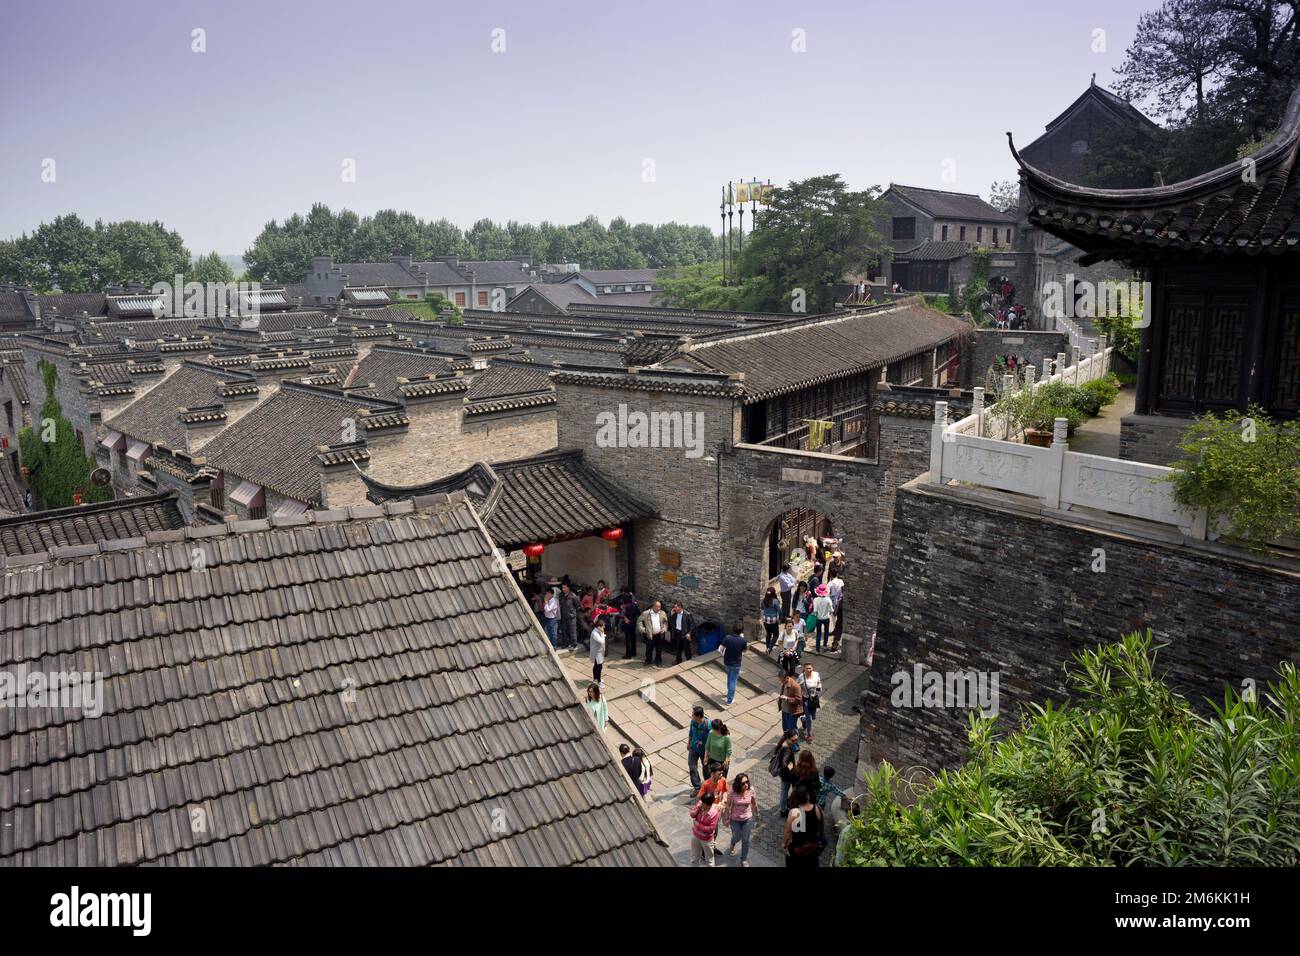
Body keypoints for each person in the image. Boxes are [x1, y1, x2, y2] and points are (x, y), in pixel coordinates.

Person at [782, 785, 824, 867]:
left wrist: (784, 843)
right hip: (812, 848)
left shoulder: (795, 813)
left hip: (798, 849)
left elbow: (788, 831)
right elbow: (820, 827)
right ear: (808, 796)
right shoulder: (817, 809)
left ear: (796, 799)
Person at [723, 772, 759, 866]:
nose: (746, 784)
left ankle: (743, 859)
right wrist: (726, 819)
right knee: (736, 836)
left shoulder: (751, 790)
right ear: (738, 784)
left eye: (747, 782)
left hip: (747, 819)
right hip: (735, 819)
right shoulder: (732, 792)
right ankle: (733, 844)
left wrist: (757, 814)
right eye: (743, 783)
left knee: (746, 839)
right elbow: (728, 806)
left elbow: (754, 804)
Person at [690, 792, 722, 867]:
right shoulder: (700, 804)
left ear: (708, 805)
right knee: (694, 857)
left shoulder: (714, 812)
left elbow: (711, 829)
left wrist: (698, 825)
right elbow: (692, 815)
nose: (701, 803)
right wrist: (698, 808)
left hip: (706, 840)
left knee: (709, 861)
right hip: (696, 836)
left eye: (703, 803)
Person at [718, 621, 747, 705]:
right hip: (736, 664)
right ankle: (730, 700)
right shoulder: (743, 640)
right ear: (741, 631)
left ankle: (729, 692)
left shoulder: (727, 638)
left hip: (727, 662)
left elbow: (721, 648)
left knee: (729, 677)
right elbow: (744, 651)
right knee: (733, 681)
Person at [773, 729, 800, 817]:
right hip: (787, 775)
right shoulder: (787, 750)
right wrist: (793, 767)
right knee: (784, 792)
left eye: (796, 739)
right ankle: (783, 810)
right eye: (793, 740)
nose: (795, 741)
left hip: (784, 774)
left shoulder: (783, 743)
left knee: (784, 791)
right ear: (788, 739)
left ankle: (784, 808)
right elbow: (785, 763)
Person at [638, 599, 668, 666]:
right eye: (657, 607)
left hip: (659, 635)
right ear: (653, 606)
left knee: (659, 649)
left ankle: (658, 661)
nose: (658, 608)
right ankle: (648, 660)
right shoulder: (646, 613)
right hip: (650, 634)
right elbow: (639, 621)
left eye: (659, 607)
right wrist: (642, 629)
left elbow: (665, 622)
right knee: (649, 649)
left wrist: (665, 628)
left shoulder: (662, 613)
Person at [687, 705, 710, 790]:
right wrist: (688, 743)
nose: (691, 716)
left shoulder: (708, 725)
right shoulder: (693, 722)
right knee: (692, 766)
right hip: (694, 747)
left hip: (705, 750)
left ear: (699, 716)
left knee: (706, 769)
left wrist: (709, 753)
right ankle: (697, 787)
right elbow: (691, 732)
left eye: (693, 715)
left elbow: (712, 739)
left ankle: (708, 785)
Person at [798, 661, 822, 742]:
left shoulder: (816, 674)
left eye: (810, 668)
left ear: (812, 668)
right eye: (807, 668)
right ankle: (809, 735)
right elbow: (797, 687)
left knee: (814, 716)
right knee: (810, 718)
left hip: (814, 699)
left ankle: (803, 720)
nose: (808, 670)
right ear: (804, 669)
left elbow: (819, 683)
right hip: (806, 700)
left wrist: (818, 689)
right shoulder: (801, 677)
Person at [668, 600, 696, 665]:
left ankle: (689, 661)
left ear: (680, 607)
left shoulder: (687, 614)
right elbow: (669, 621)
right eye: (674, 607)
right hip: (677, 633)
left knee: (687, 649)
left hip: (685, 634)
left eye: (676, 607)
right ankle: (678, 660)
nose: (674, 609)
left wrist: (689, 633)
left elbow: (693, 625)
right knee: (678, 648)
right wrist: (671, 615)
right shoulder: (674, 614)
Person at [557, 582, 580, 649]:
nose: (563, 589)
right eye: (562, 587)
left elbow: (577, 605)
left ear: (568, 588)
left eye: (564, 587)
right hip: (564, 616)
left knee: (572, 631)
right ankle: (565, 643)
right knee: (564, 631)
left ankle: (574, 644)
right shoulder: (561, 595)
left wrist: (572, 612)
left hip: (571, 616)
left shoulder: (573, 595)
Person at [811, 584, 834, 653]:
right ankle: (824, 645)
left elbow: (815, 611)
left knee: (818, 634)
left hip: (818, 618)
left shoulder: (816, 600)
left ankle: (817, 649)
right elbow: (831, 610)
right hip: (826, 618)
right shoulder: (828, 600)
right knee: (826, 632)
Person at [761, 588, 781, 653]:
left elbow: (761, 608)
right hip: (773, 621)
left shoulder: (764, 600)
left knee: (768, 634)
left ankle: (767, 648)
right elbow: (779, 611)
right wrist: (781, 618)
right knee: (776, 635)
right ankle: (769, 648)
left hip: (765, 620)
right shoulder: (775, 601)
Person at [621, 591, 639, 660]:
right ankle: (634, 652)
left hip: (627, 624)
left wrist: (624, 617)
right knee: (633, 638)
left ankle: (628, 655)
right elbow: (638, 612)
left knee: (628, 639)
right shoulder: (634, 605)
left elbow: (621, 615)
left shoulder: (625, 606)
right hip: (633, 623)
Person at [589, 618, 607, 685]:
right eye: (603, 626)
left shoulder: (598, 631)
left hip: (599, 652)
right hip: (597, 653)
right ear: (599, 627)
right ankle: (598, 681)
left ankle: (595, 679)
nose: (604, 627)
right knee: (598, 667)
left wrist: (602, 633)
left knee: (597, 666)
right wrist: (602, 633)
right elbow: (602, 641)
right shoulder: (595, 633)